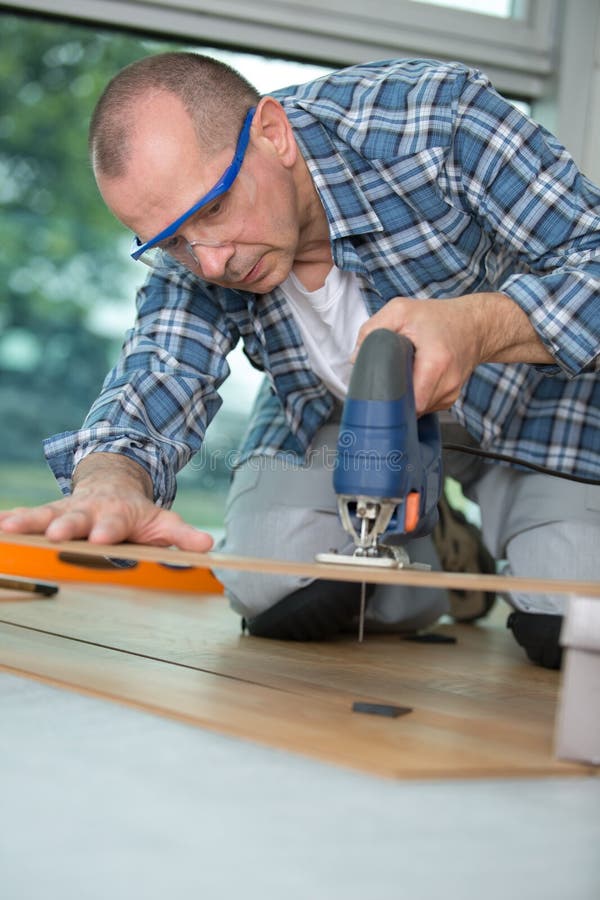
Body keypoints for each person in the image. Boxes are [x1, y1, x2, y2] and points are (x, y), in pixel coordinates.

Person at [1, 53, 598, 668]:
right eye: (173, 240)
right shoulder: (202, 252)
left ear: (273, 133)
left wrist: (479, 325)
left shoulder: (436, 121)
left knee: (570, 618)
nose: (210, 264)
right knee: (273, 586)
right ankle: (438, 556)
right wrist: (109, 483)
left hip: (532, 403)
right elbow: (160, 365)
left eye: (213, 209)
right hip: (338, 415)